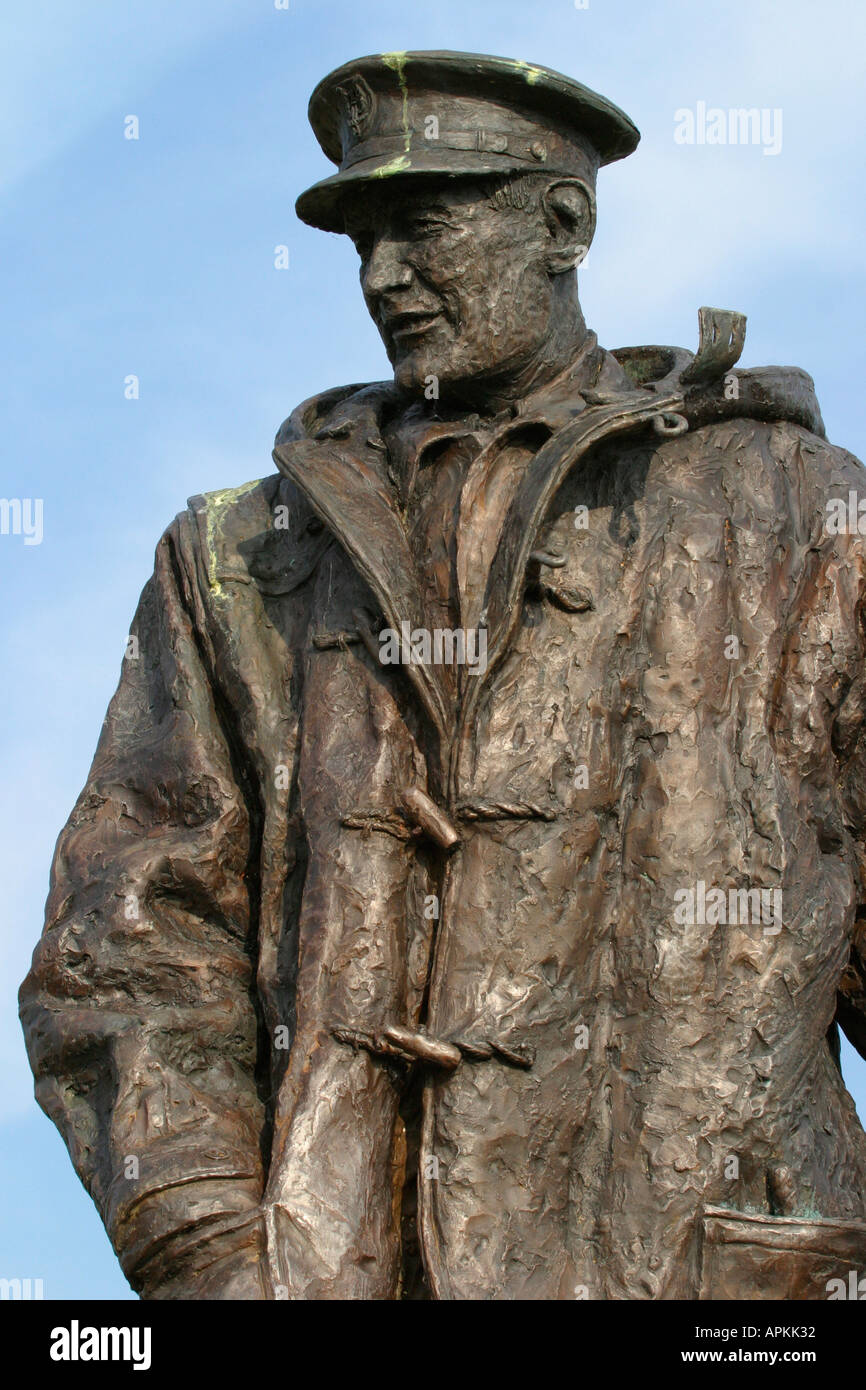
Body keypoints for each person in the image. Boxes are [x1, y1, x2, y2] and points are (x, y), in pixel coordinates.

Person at [20, 50, 866, 1300]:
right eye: (357, 239)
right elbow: (130, 950)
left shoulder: (797, 515)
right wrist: (205, 1249)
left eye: (421, 227)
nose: (380, 276)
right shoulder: (241, 556)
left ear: (562, 224)